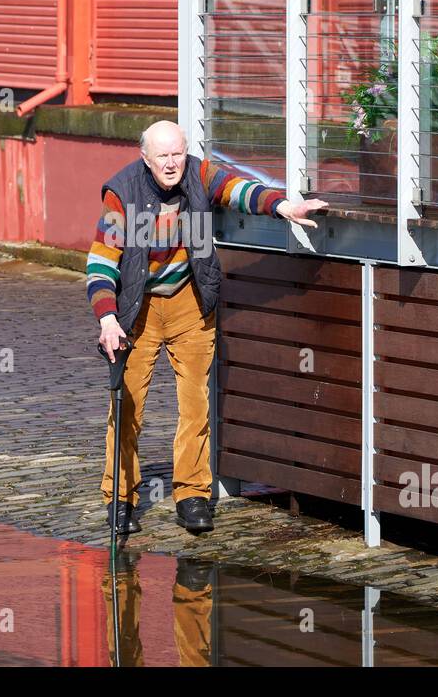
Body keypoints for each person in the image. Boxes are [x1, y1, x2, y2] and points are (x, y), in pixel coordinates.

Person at [87, 119, 327, 534]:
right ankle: (120, 496)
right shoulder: (121, 192)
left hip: (190, 301)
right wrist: (107, 318)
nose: (171, 163)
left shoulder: (199, 174)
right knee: (127, 408)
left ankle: (193, 495)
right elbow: (101, 261)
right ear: (145, 158)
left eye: (176, 153)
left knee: (196, 403)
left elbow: (240, 190)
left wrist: (284, 207)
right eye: (162, 155)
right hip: (135, 309)